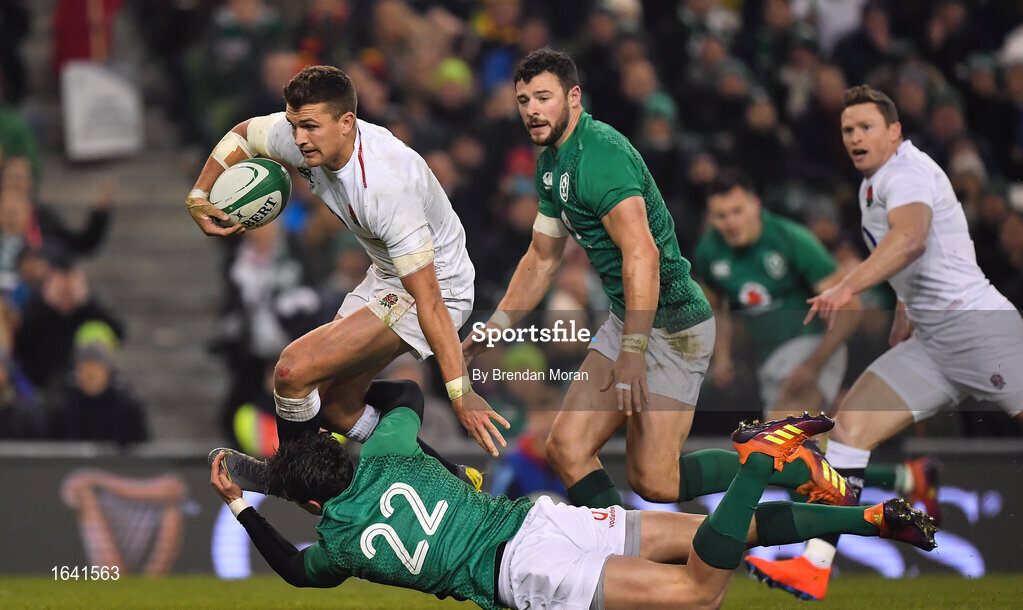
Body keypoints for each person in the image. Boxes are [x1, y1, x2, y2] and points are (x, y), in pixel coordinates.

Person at [210, 400, 936, 610]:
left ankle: (756, 460)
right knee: (718, 535)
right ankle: (869, 518)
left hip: (524, 575)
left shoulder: (343, 546)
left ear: (309, 499)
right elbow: (404, 393)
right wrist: (353, 420)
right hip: (540, 519)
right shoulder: (392, 451)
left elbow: (296, 573)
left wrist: (247, 503)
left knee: (696, 594)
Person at [746, 84, 1023, 601]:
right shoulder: (872, 185)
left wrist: (849, 285)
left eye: (867, 127)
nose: (855, 137)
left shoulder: (907, 172)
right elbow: (911, 254)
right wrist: (903, 312)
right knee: (847, 428)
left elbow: (912, 236)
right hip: (934, 343)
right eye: (848, 129)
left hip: (979, 329)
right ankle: (814, 566)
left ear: (895, 132)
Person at [184, 65, 509, 462]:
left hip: (437, 285)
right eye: (293, 125)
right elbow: (245, 134)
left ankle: (294, 477)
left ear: (347, 122)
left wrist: (460, 391)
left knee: (292, 370)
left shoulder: (386, 185)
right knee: (335, 408)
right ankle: (448, 477)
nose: (299, 139)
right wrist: (200, 193)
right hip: (388, 273)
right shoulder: (303, 137)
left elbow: (430, 300)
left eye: (309, 127)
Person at [463, 48, 716, 510]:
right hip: (629, 319)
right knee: (566, 448)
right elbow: (541, 258)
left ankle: (772, 459)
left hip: (674, 326)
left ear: (573, 97)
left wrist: (634, 350)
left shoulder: (601, 156)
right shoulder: (550, 164)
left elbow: (644, 256)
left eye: (544, 97)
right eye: (523, 100)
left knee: (656, 481)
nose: (532, 110)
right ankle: (622, 555)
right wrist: (494, 327)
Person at [694, 167, 860, 420]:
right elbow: (715, 307)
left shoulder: (791, 239)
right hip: (766, 362)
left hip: (808, 348)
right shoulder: (709, 251)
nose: (730, 223)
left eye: (737, 211)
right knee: (793, 446)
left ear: (755, 205)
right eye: (721, 215)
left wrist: (813, 364)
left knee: (776, 440)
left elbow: (851, 308)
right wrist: (723, 357)